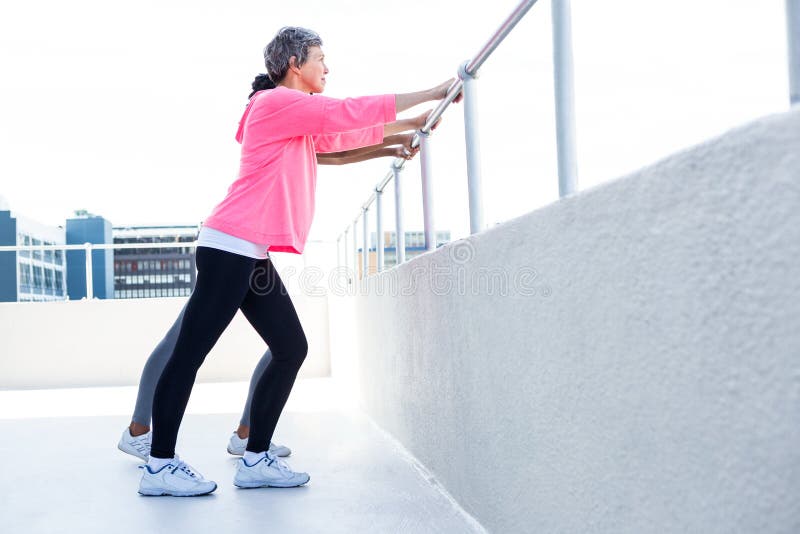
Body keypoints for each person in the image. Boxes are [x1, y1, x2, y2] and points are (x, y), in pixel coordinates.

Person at [138, 26, 456, 497]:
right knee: (189, 353)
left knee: (290, 347)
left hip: (249, 251)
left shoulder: (292, 118)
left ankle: (256, 458)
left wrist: (404, 134)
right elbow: (346, 113)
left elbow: (338, 143)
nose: (327, 68)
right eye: (320, 59)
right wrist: (432, 92)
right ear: (294, 63)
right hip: (229, 245)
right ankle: (159, 466)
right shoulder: (274, 104)